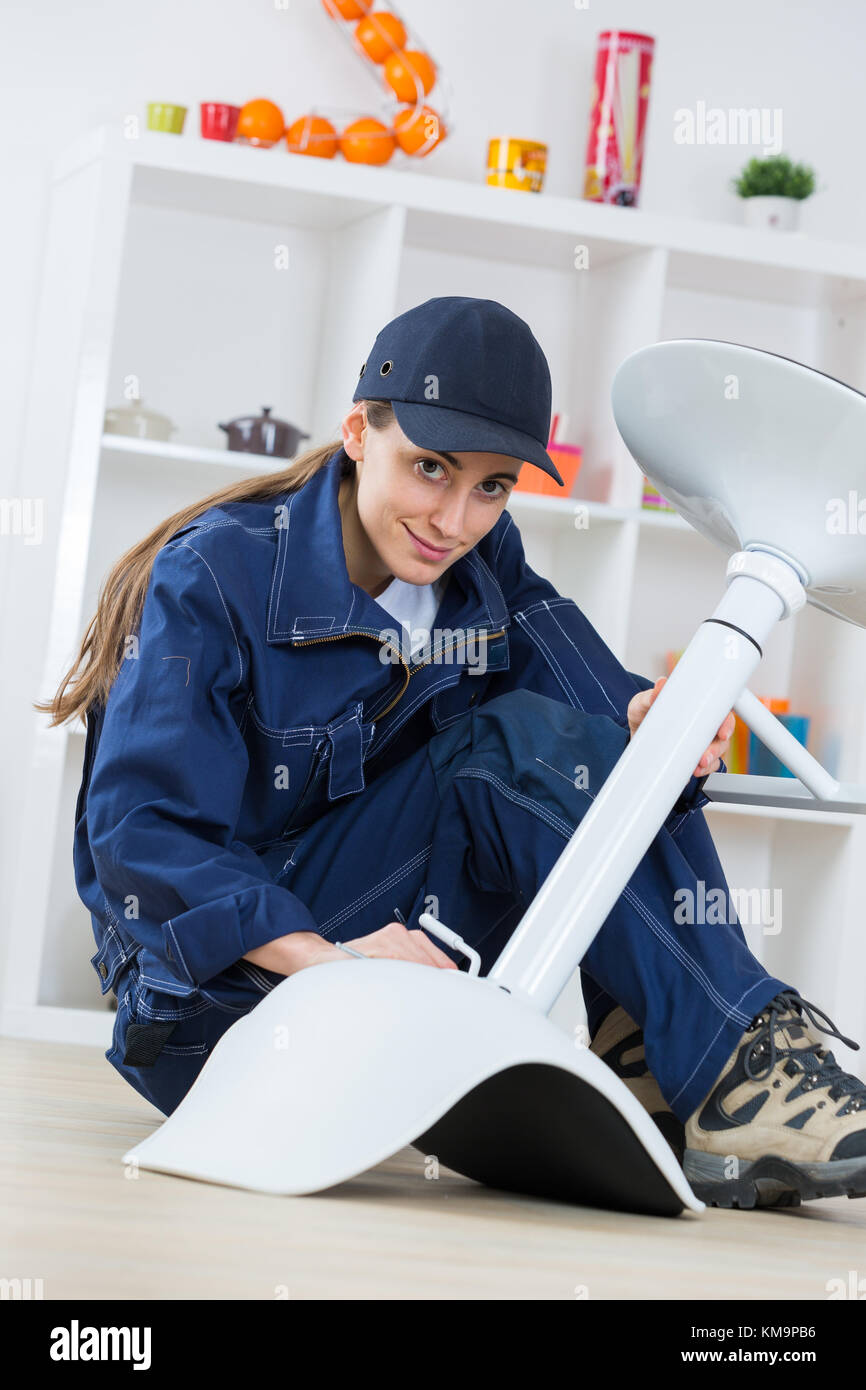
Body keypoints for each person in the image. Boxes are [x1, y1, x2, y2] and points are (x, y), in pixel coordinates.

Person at [39, 296, 865, 1211]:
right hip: (213, 1014)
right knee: (502, 753)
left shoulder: (480, 560)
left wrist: (661, 718)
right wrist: (333, 963)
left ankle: (669, 1059)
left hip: (359, 946)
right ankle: (734, 1071)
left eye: (491, 485)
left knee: (612, 753)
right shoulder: (215, 575)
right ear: (360, 432)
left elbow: (589, 701)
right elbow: (142, 843)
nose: (455, 517)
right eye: (429, 468)